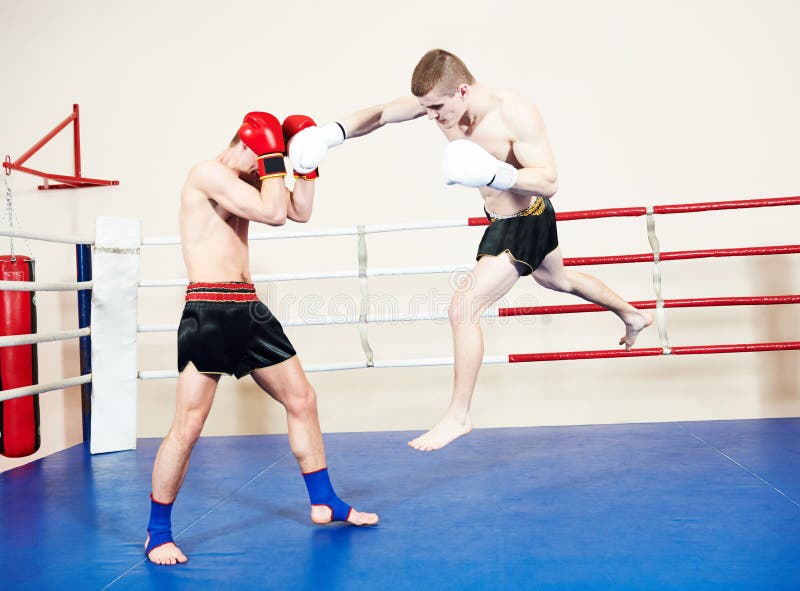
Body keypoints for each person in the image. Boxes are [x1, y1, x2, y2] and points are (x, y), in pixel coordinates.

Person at [286, 49, 654, 452]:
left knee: (463, 308)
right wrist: (331, 134)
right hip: (504, 219)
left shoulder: (513, 112)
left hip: (524, 218)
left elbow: (549, 182)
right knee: (557, 279)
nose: (432, 117)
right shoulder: (438, 100)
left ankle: (459, 416)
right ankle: (633, 315)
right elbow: (380, 115)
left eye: (438, 108)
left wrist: (497, 173)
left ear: (462, 90)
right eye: (426, 109)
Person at [145, 111, 378, 566]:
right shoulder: (208, 173)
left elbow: (299, 211)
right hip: (209, 310)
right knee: (188, 426)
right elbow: (274, 213)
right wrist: (274, 158)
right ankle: (157, 534)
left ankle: (324, 500)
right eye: (265, 159)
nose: (265, 172)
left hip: (248, 308)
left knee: (302, 399)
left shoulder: (245, 180)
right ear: (251, 147)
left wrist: (306, 163)